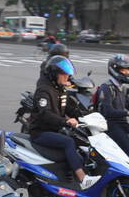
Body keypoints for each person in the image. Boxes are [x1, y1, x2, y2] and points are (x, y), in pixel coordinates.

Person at [30, 55, 99, 189]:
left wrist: (86, 117)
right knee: (68, 142)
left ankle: (72, 178)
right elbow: (46, 114)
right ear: (55, 74)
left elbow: (69, 107)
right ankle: (82, 178)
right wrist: (66, 121)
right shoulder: (43, 91)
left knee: (81, 140)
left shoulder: (59, 89)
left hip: (54, 129)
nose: (67, 77)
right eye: (64, 74)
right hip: (40, 132)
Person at [93, 54, 129, 162]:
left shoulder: (122, 88)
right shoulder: (106, 88)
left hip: (122, 123)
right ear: (115, 70)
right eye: (125, 70)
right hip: (110, 124)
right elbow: (107, 111)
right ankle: (124, 177)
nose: (128, 73)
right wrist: (127, 113)